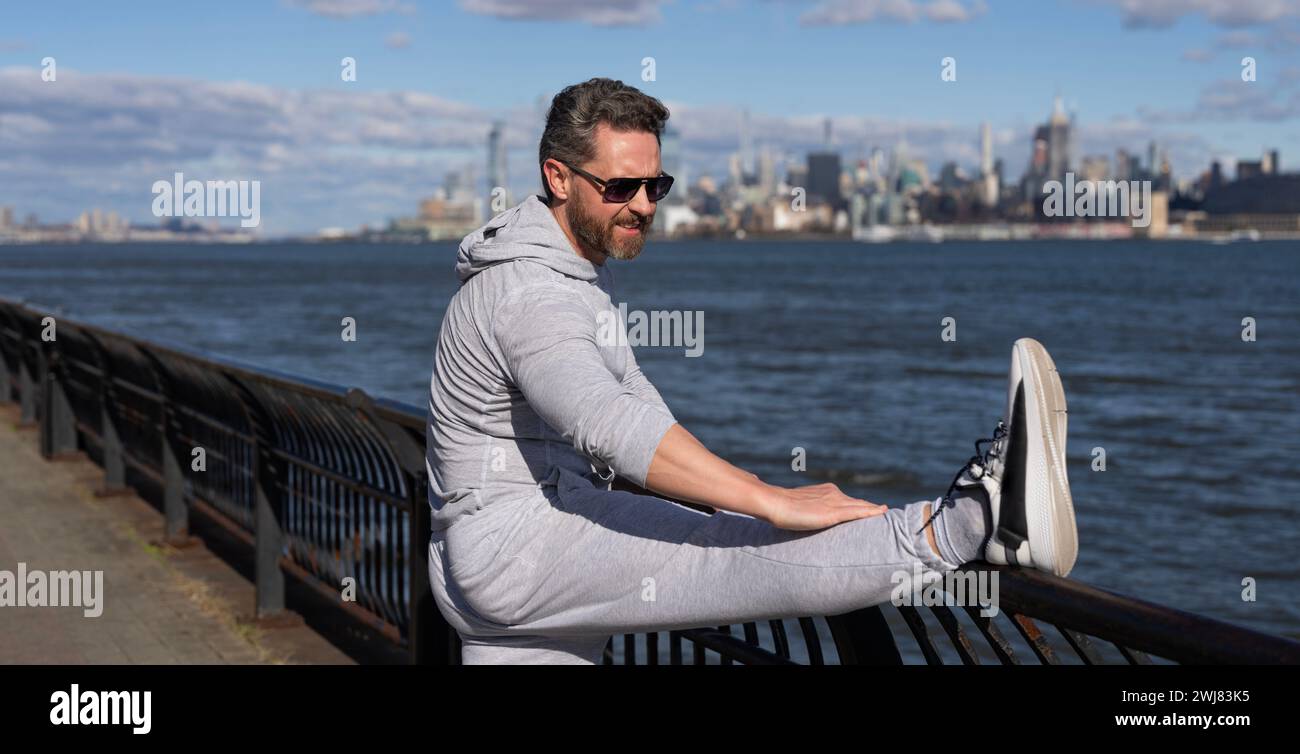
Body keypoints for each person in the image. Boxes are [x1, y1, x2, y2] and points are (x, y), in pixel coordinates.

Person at [424, 77, 1078, 664]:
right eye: (620, 187)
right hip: (517, 551)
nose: (645, 206)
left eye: (657, 185)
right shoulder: (530, 295)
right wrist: (771, 501)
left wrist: (732, 493)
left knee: (742, 529)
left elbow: (640, 408)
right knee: (750, 553)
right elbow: (604, 420)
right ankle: (982, 515)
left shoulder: (559, 277)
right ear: (559, 178)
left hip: (497, 561)